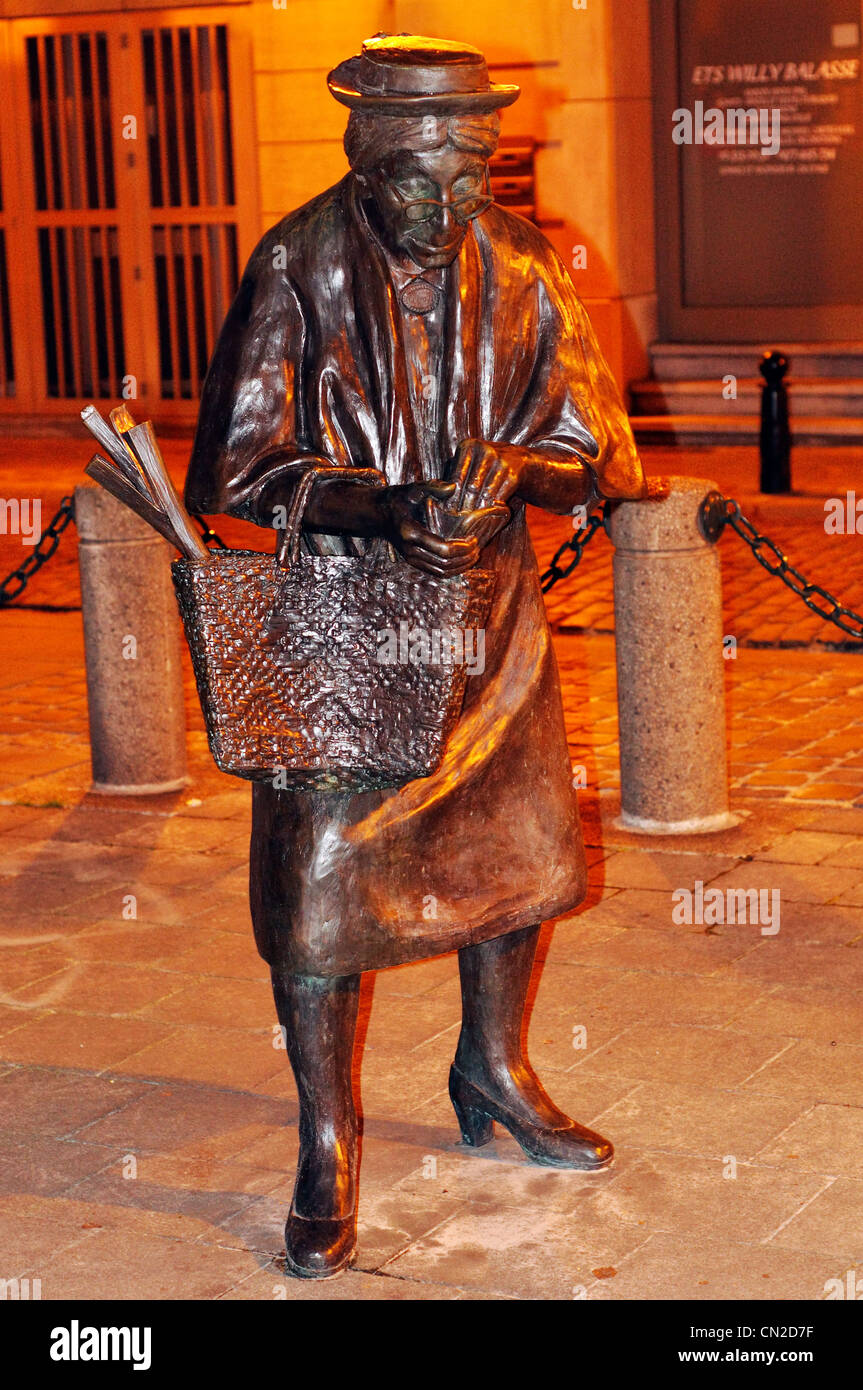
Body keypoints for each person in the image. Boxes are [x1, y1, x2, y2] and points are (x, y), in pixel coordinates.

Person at [185, 33, 653, 1279]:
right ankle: (326, 1139)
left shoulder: (519, 260)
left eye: (470, 181)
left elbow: (601, 452)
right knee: (318, 884)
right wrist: (379, 505)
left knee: (518, 849)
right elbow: (229, 467)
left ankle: (490, 1068)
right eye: (420, 186)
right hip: (344, 627)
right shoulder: (295, 261)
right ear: (367, 163)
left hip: (488, 618)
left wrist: (521, 471)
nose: (449, 210)